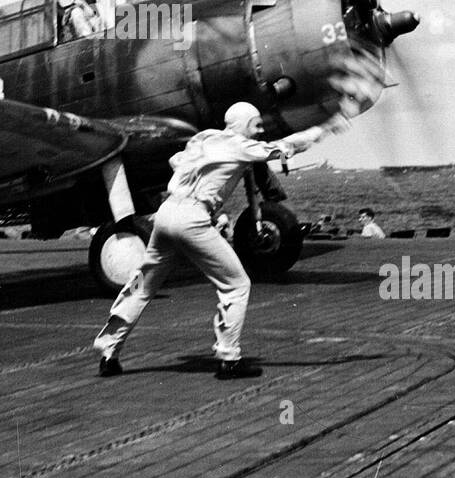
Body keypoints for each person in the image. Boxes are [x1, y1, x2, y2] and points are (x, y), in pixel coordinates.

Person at [92, 102, 337, 380]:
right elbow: (282, 148)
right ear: (243, 125)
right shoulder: (238, 145)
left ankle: (109, 350)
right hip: (193, 218)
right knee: (237, 285)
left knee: (141, 284)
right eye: (256, 125)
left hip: (166, 216)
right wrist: (323, 129)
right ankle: (229, 358)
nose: (259, 131)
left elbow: (176, 161)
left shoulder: (204, 138)